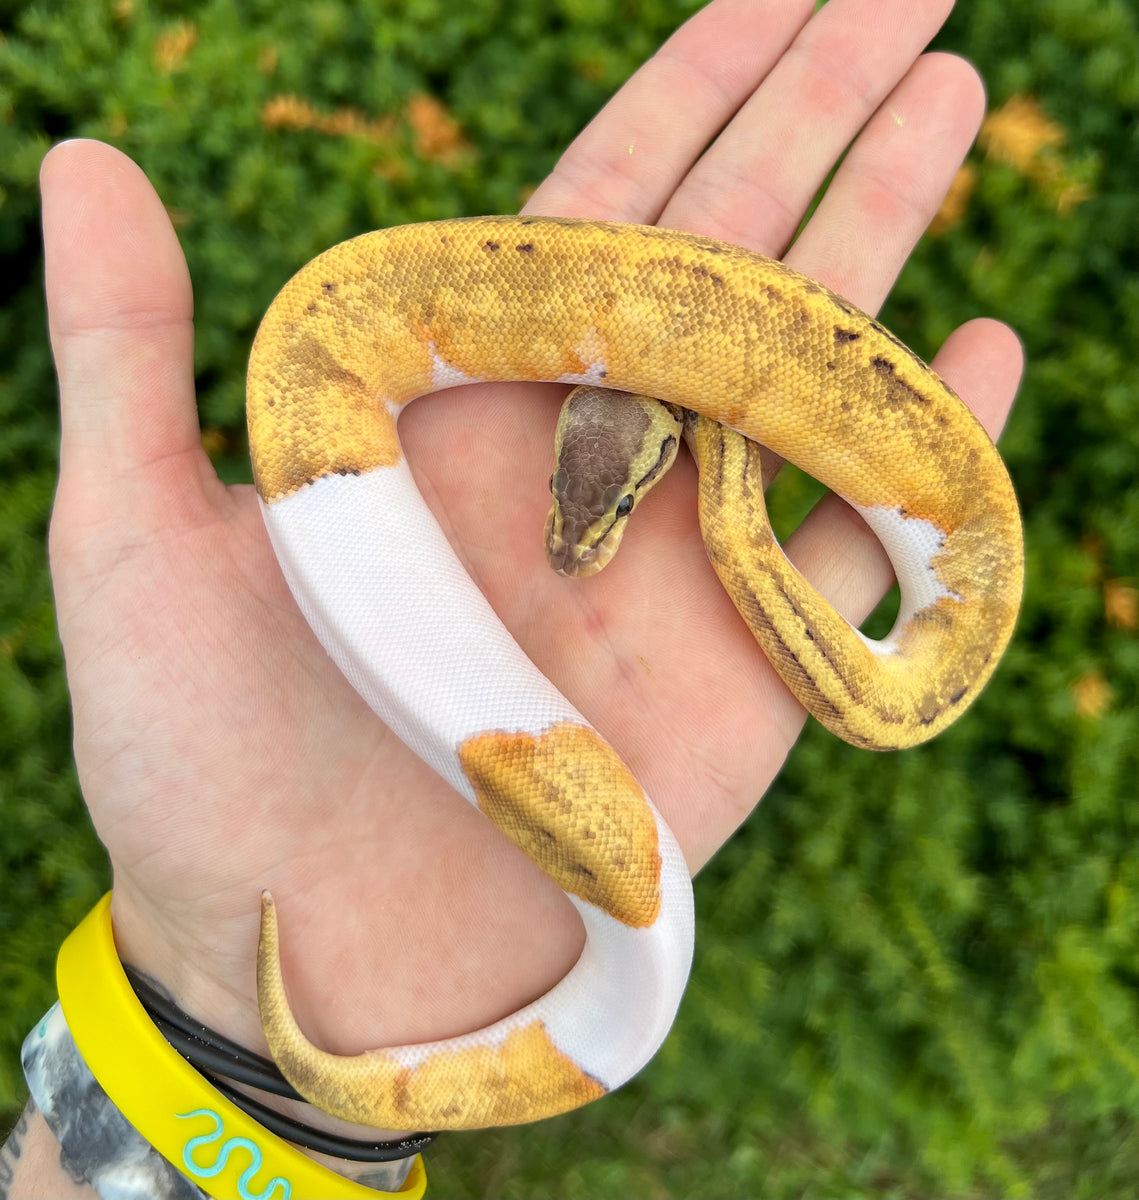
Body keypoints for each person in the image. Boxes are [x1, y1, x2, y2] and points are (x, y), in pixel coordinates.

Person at [1, 0, 1023, 1194]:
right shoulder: (364, 350)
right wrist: (221, 1041)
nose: (571, 547)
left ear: (670, 446)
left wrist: (195, 1073)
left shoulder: (689, 450)